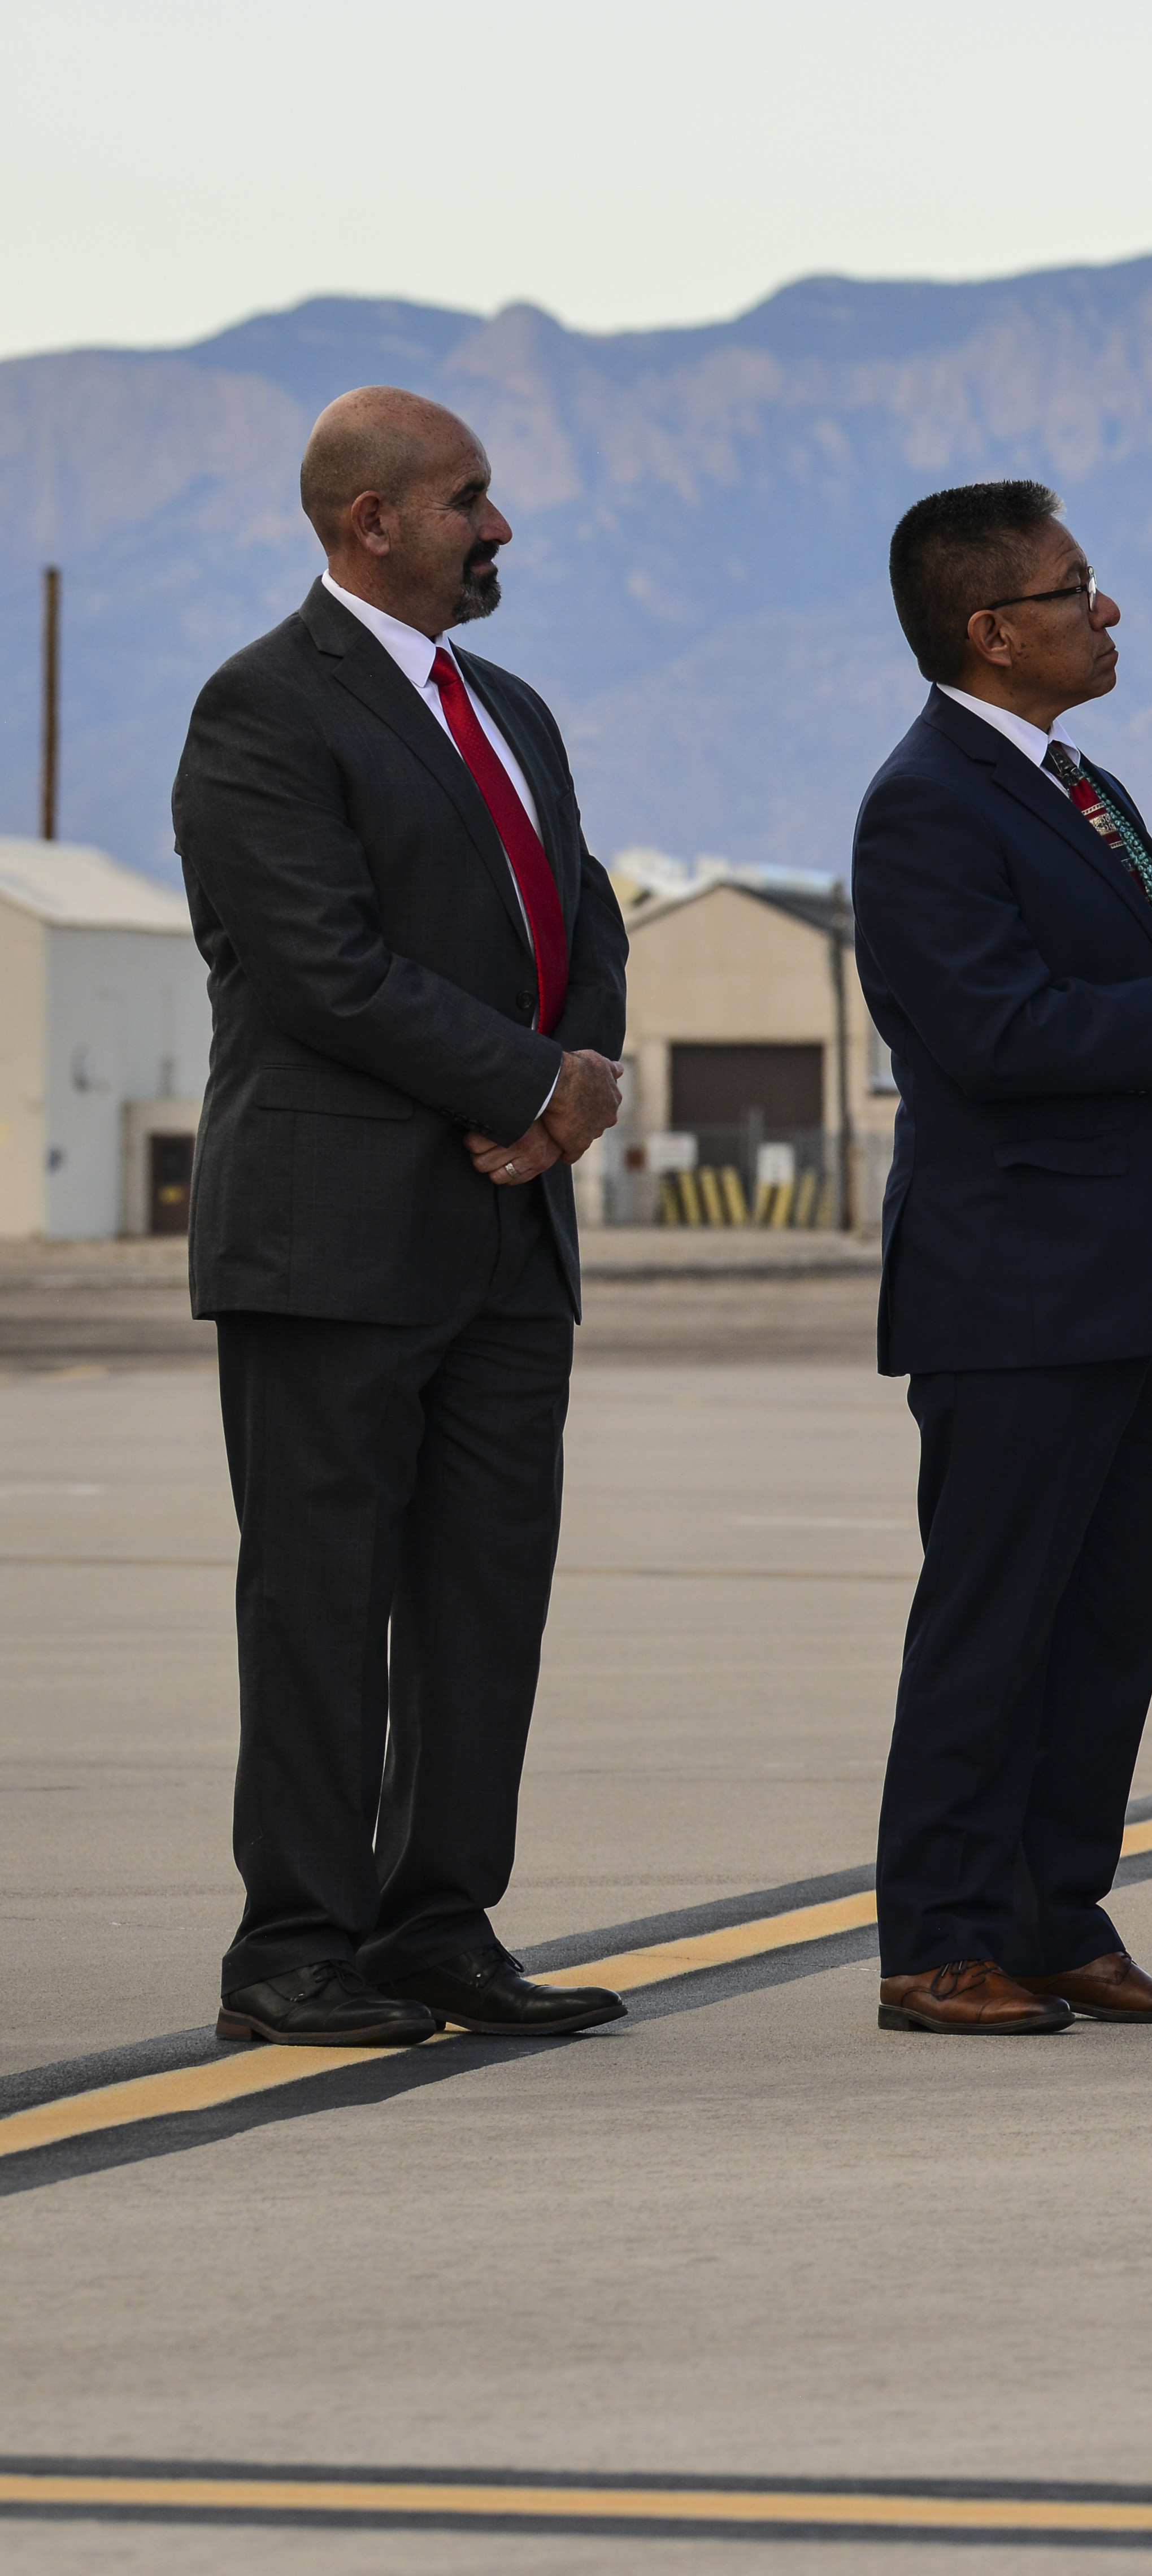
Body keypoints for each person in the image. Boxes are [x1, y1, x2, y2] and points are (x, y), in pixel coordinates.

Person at [171, 386, 633, 2047]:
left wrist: (582, 1079)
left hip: (509, 1238)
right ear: (373, 521)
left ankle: (443, 1924)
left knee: (482, 1592)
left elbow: (587, 921)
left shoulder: (511, 708)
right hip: (335, 1236)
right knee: (320, 1597)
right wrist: (529, 1087)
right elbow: (321, 967)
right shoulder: (262, 711)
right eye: (467, 500)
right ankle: (295, 1945)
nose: (497, 527)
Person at [847, 480, 1152, 2035]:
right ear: (991, 631)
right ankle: (940, 1939)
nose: (1104, 612)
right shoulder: (929, 802)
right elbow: (988, 1035)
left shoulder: (1079, 784)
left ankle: (1053, 1912)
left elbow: (1124, 997)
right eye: (1074, 589)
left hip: (1128, 1271)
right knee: (996, 1623)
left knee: (1106, 1624)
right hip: (1018, 1283)